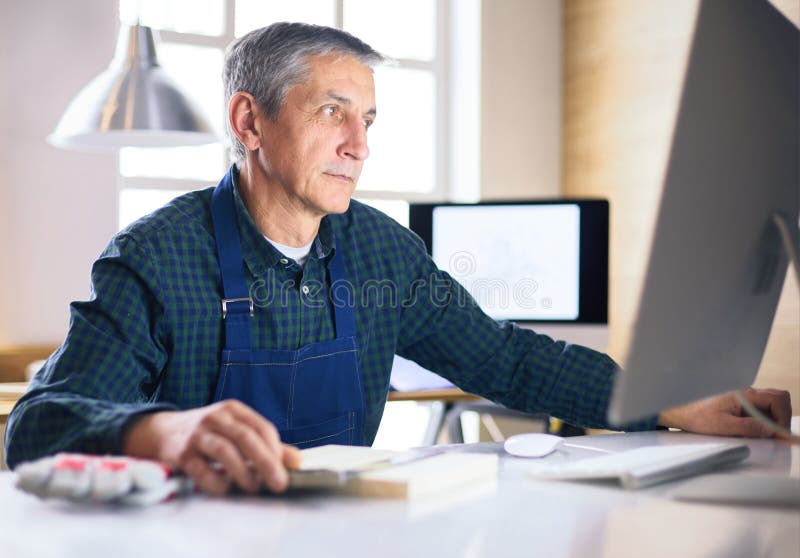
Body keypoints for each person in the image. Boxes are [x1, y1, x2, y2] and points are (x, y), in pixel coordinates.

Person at [5, 22, 791, 496]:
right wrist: (161, 435)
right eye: (331, 113)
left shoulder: (383, 250)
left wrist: (667, 403)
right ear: (250, 120)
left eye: (369, 120)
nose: (360, 146)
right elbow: (36, 426)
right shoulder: (154, 258)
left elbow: (507, 359)